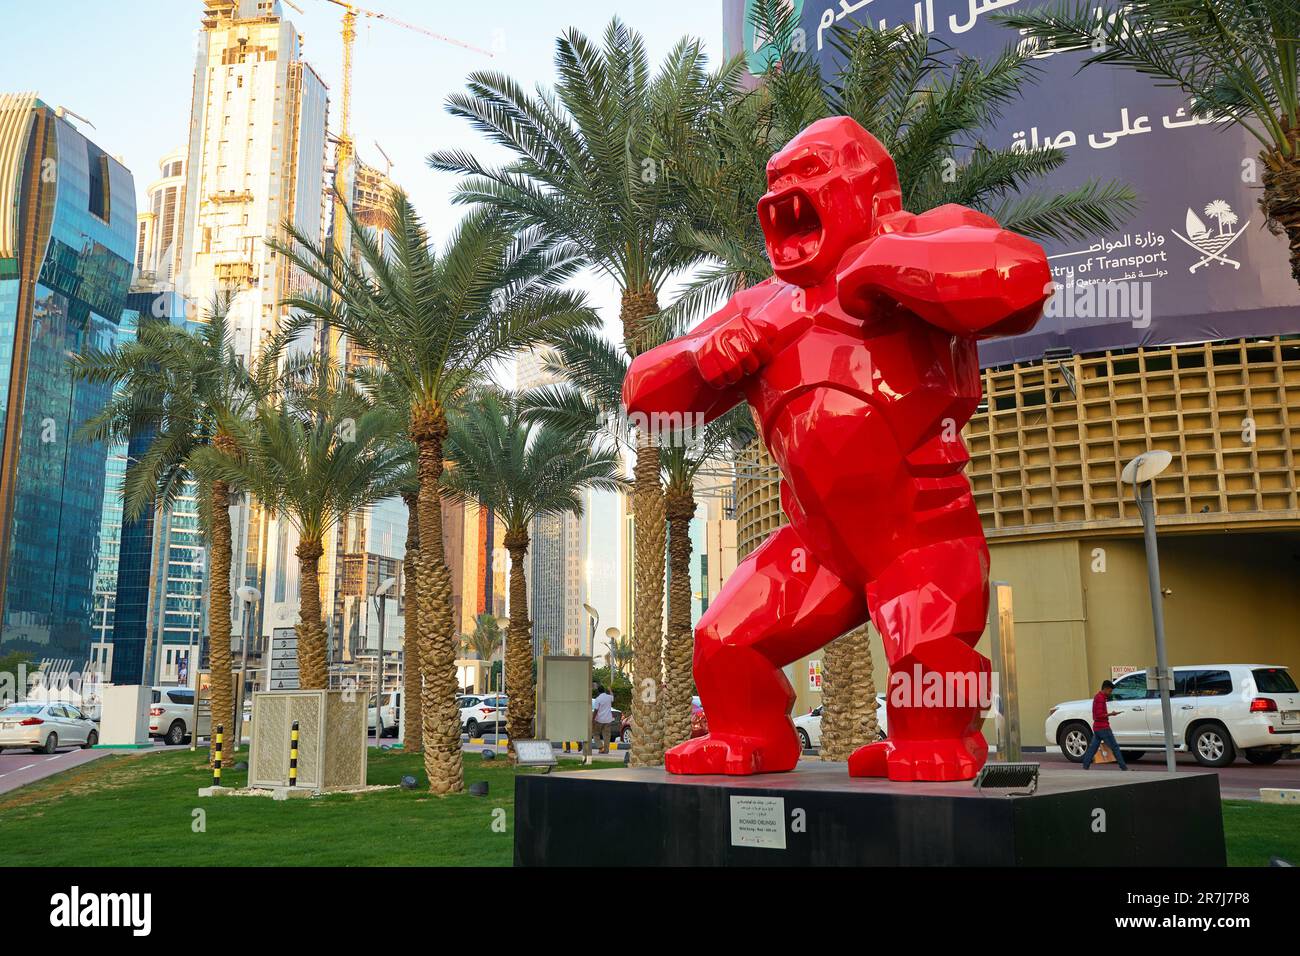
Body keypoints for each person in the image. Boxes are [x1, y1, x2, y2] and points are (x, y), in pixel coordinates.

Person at [1080, 680, 1129, 770]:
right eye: (1110, 691)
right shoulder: (1100, 698)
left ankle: (1085, 766)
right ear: (1105, 689)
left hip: (1097, 728)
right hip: (1103, 728)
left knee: (1093, 748)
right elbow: (1099, 715)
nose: (1110, 693)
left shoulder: (1098, 697)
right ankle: (1124, 767)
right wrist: (1111, 714)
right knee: (1115, 747)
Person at [591, 684, 615, 754]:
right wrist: (610, 690)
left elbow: (596, 710)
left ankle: (601, 747)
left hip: (599, 720)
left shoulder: (598, 699)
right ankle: (606, 750)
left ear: (598, 692)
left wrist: (593, 720)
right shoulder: (609, 697)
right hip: (608, 719)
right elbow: (612, 696)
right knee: (607, 736)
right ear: (604, 690)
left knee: (595, 734)